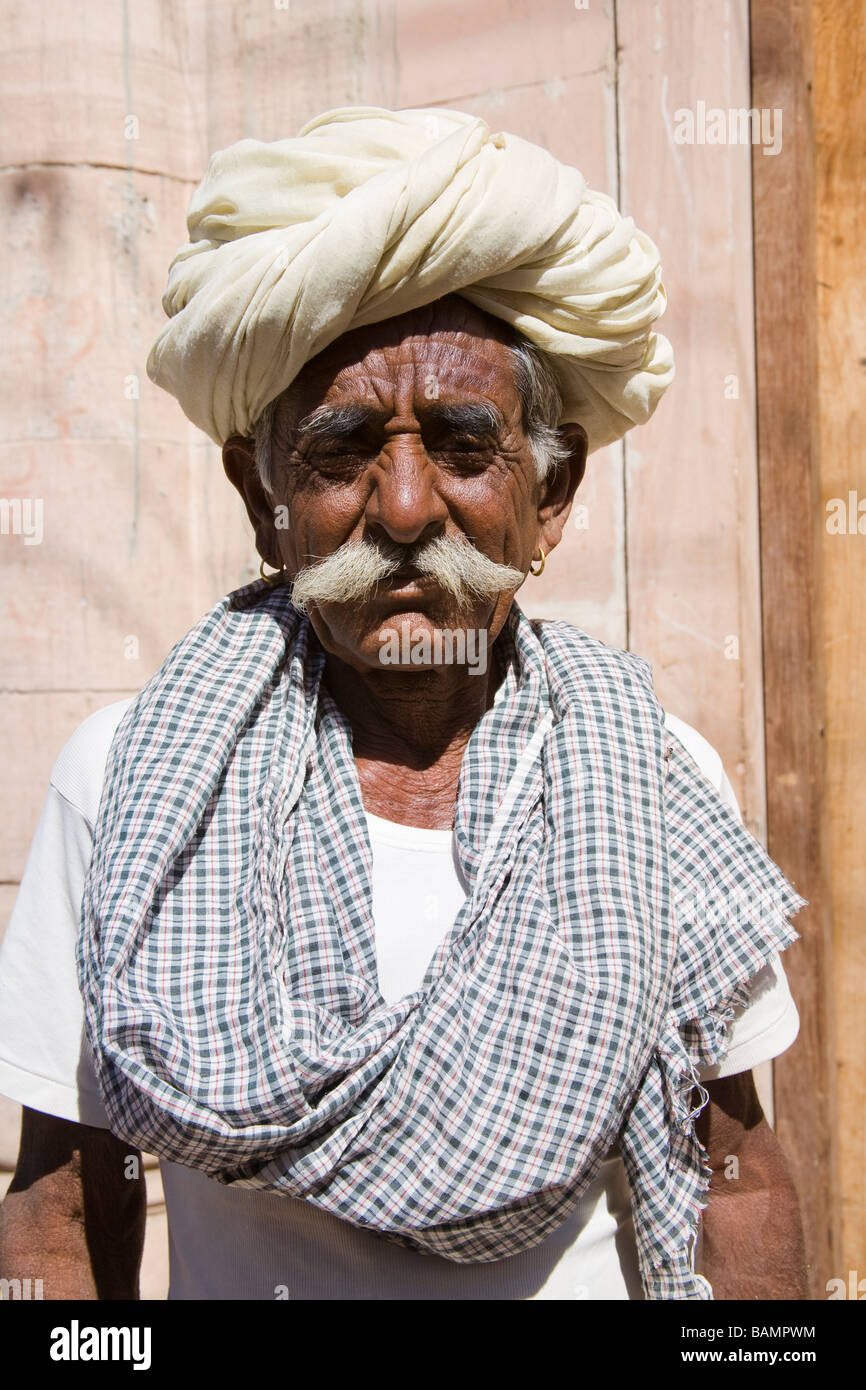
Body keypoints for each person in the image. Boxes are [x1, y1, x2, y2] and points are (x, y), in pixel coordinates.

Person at [0, 106, 807, 1300]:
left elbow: (733, 1174)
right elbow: (64, 1199)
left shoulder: (654, 776)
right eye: (339, 452)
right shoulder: (127, 777)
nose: (405, 509)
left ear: (553, 492)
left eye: (465, 448)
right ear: (259, 490)